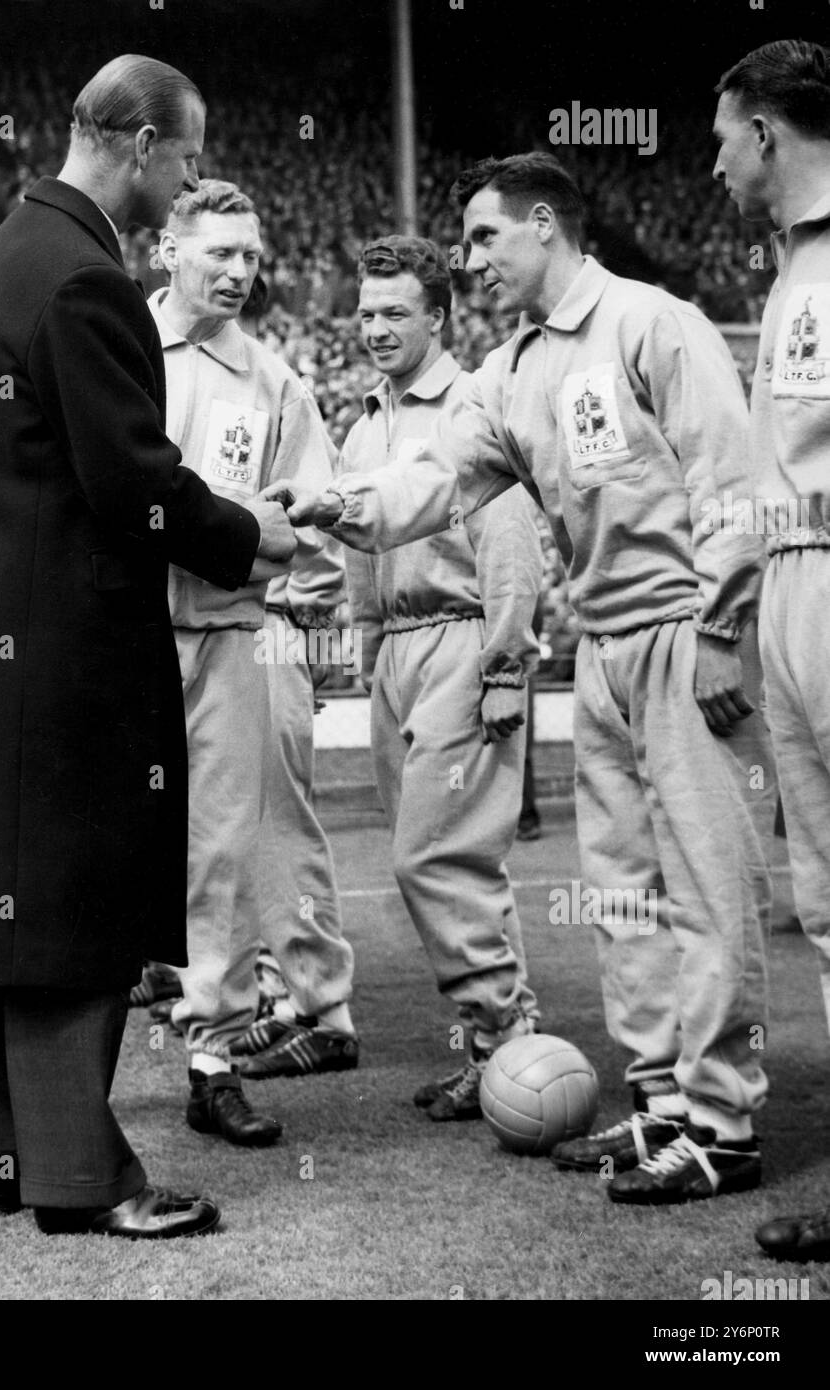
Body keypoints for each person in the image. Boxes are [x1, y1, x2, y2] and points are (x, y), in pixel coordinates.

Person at [282, 153, 777, 1203]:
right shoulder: (509, 372)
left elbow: (731, 477)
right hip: (596, 649)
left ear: (544, 225)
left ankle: (726, 1123)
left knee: (707, 884)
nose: (471, 261)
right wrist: (337, 506)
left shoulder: (655, 323)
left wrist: (728, 627)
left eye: (483, 240)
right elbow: (435, 480)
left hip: (684, 630)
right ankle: (661, 1107)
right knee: (624, 896)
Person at [0, 56, 295, 1239]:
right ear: (140, 143)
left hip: (12, 641)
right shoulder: (84, 279)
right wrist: (246, 534)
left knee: (30, 917)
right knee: (79, 916)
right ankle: (84, 1179)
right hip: (72, 652)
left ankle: (21, 1156)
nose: (192, 177)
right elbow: (135, 484)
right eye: (188, 155)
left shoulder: (12, 250)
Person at [333, 235, 541, 1121]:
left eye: (395, 313)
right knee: (457, 864)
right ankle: (507, 1045)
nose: (375, 327)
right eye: (366, 311)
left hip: (465, 641)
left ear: (438, 316)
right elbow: (356, 552)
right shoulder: (363, 423)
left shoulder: (472, 406)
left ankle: (508, 1041)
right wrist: (365, 642)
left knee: (432, 858)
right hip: (398, 654)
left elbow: (511, 545)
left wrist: (505, 663)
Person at [148, 178, 339, 1138]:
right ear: (166, 252)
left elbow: (313, 525)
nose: (237, 271)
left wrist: (263, 537)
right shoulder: (117, 351)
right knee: (99, 844)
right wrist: (235, 527)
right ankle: (65, 1066)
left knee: (218, 851)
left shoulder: (273, 382)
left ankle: (212, 1058)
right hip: (120, 640)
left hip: (229, 639)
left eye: (251, 255)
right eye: (218, 251)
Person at [713, 37, 830, 1260]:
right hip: (793, 579)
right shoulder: (790, 267)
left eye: (717, 138)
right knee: (827, 901)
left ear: (764, 136)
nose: (709, 165)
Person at [235, 534, 360, 1079]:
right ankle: (286, 994)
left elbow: (319, 544)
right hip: (225, 631)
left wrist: (319, 646)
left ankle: (327, 1014)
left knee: (280, 825)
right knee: (235, 832)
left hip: (267, 627)